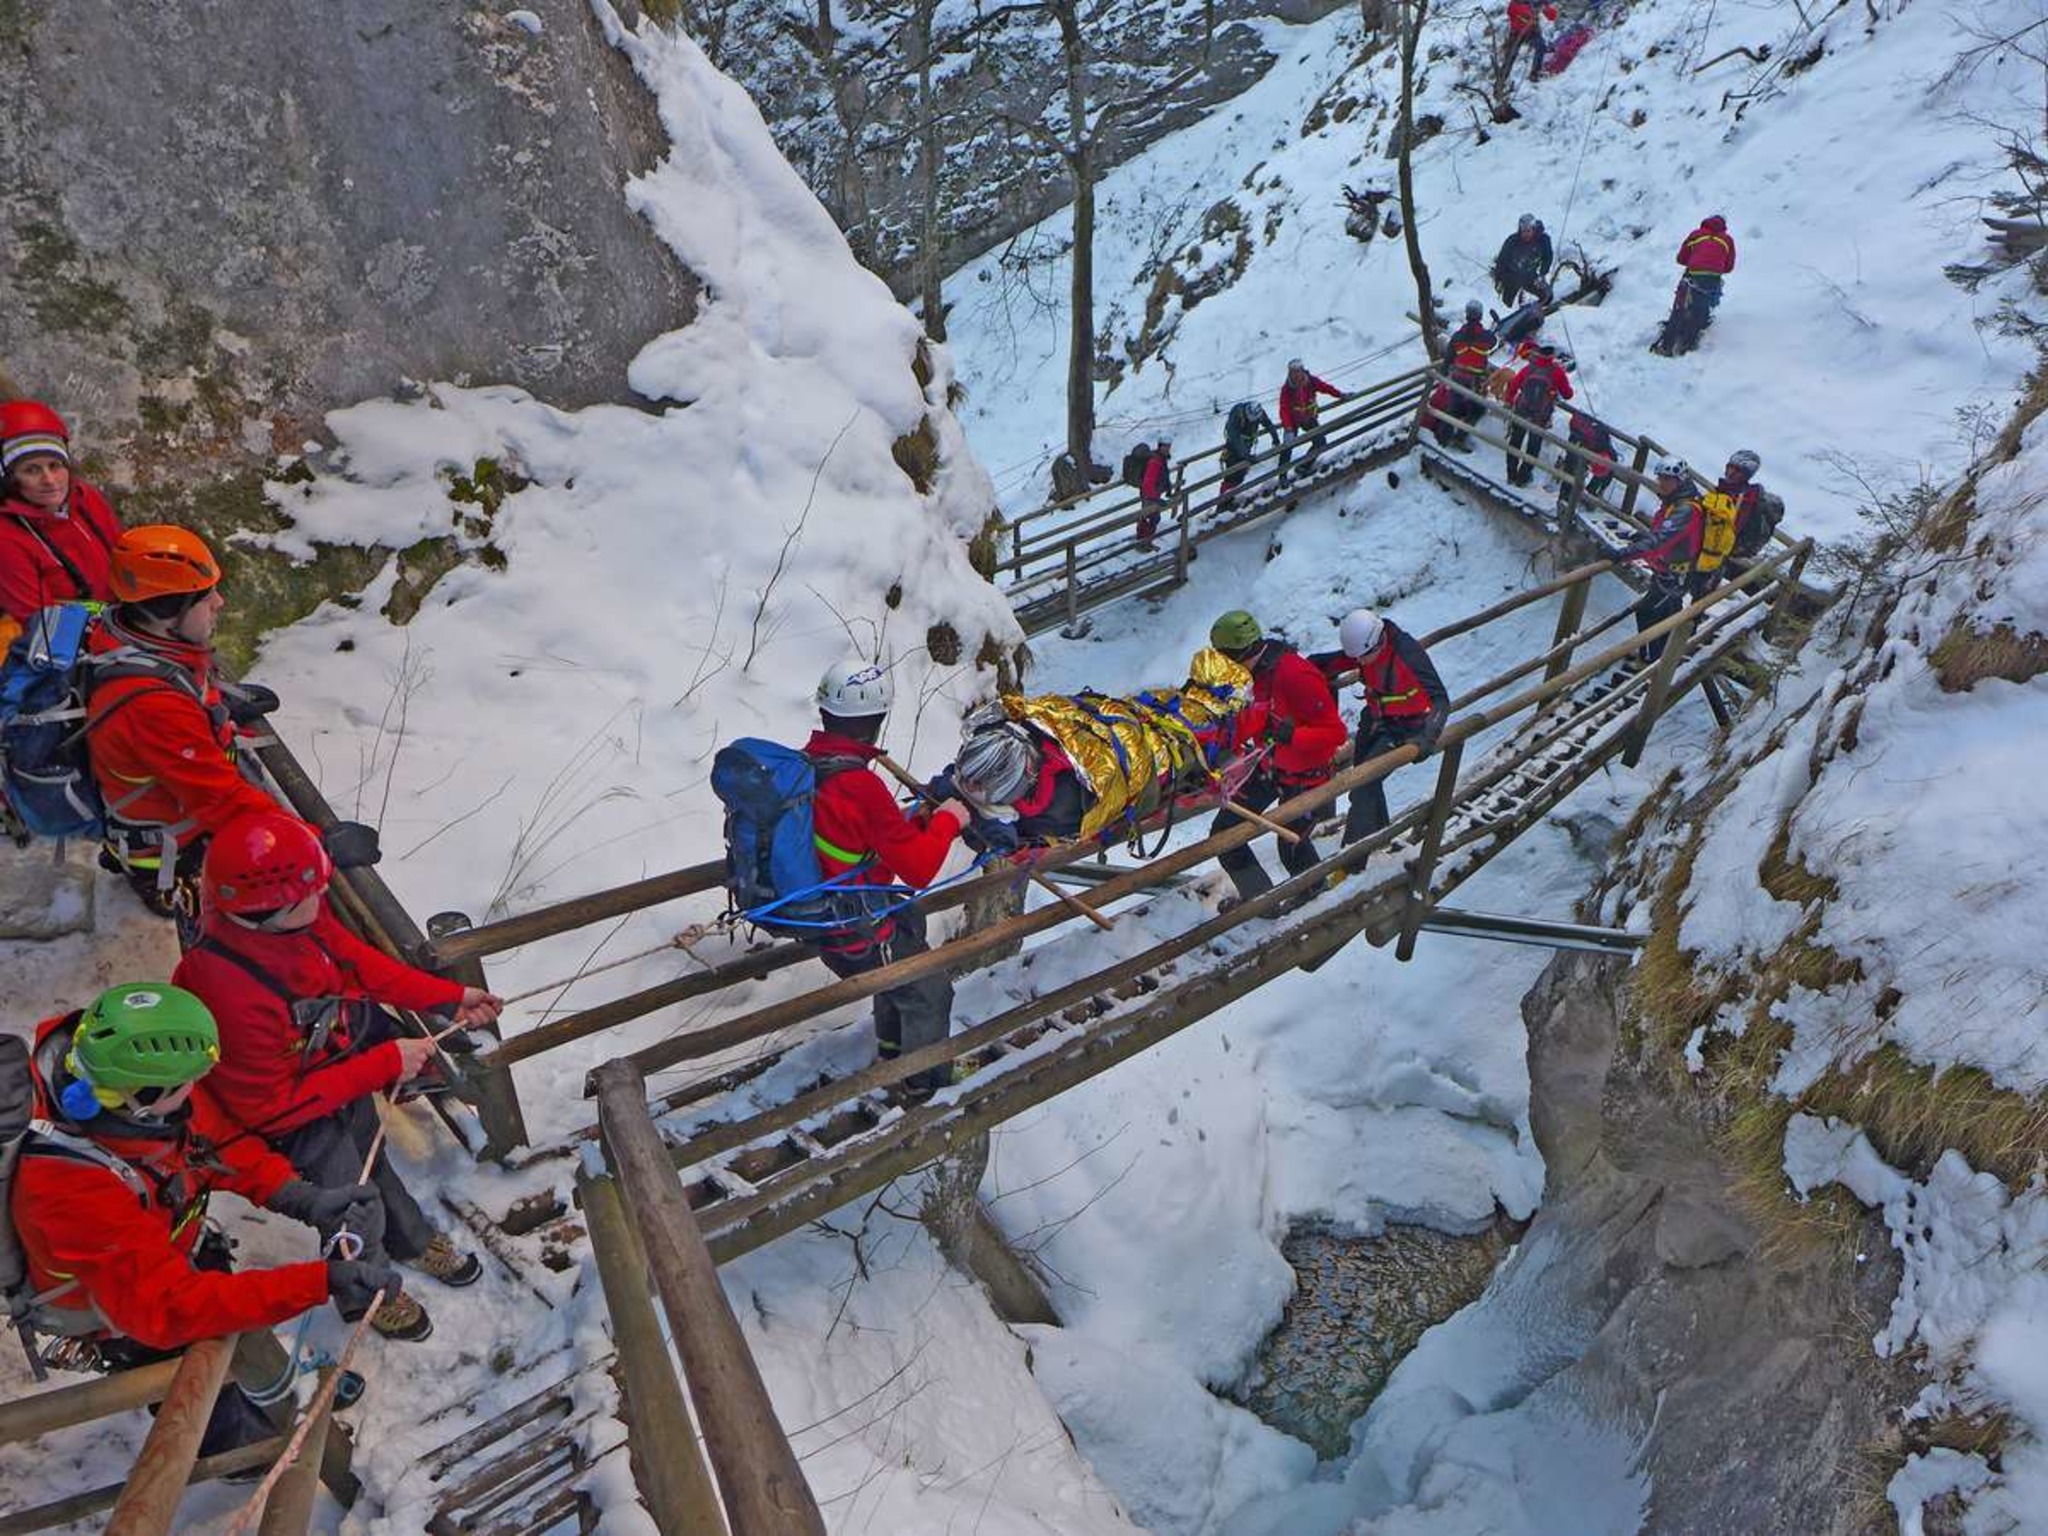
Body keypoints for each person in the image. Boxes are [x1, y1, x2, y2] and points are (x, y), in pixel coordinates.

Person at [9, 984, 410, 1456]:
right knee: (196, 1383)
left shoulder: (137, 1100)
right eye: (185, 1084)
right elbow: (172, 1308)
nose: (195, 1090)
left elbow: (216, 1143)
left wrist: (299, 1197)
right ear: (141, 1096)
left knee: (233, 1324)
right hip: (121, 1313)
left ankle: (270, 1393)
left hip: (175, 1246)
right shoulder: (65, 1188)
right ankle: (239, 1453)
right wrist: (321, 1280)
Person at [173, 811, 502, 1338]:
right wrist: (385, 1063)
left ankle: (411, 1241)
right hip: (292, 1112)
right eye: (312, 889)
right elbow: (268, 1108)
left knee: (376, 1167)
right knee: (346, 1197)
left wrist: (448, 999)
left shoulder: (299, 922)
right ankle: (363, 1292)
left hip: (329, 1068)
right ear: (270, 909)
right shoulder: (229, 991)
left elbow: (359, 965)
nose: (322, 894)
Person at [84, 525, 280, 927]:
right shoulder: (152, 705)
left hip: (152, 811)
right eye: (205, 596)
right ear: (164, 612)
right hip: (168, 854)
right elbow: (222, 803)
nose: (220, 602)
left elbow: (182, 700)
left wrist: (219, 707)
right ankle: (162, 889)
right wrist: (316, 840)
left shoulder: (123, 634)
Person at [806, 659, 968, 1095]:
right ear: (876, 720)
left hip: (827, 914)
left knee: (905, 947)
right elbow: (918, 870)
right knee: (930, 991)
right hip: (853, 927)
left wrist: (913, 825)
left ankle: (894, 1053)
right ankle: (920, 1083)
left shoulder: (812, 767)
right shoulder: (859, 784)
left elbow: (865, 841)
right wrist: (949, 822)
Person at [1206, 610, 1347, 903]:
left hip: (1306, 774)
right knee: (1224, 834)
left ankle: (1315, 899)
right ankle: (1260, 901)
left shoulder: (1295, 675)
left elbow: (1335, 733)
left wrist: (1292, 736)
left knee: (1291, 843)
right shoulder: (1252, 676)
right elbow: (1251, 718)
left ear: (1240, 653)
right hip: (1270, 765)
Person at [1314, 609, 1450, 844]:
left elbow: (1440, 700)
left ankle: (1353, 859)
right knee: (1365, 781)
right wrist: (1308, 670)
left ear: (1378, 642)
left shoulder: (1407, 653)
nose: (1361, 663)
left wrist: (1428, 737)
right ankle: (1382, 838)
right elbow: (1332, 661)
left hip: (1410, 727)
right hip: (1378, 721)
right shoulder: (1365, 647)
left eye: (1365, 657)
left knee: (1363, 784)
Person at [0, 400, 121, 651]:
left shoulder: (85, 499)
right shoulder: (7, 536)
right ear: (9, 479)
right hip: (61, 648)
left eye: (55, 466)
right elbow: (39, 622)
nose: (50, 480)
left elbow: (123, 558)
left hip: (114, 623)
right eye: (31, 470)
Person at [1620, 458, 1705, 661]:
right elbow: (1666, 535)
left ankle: (1654, 667)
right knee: (1664, 616)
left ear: (1680, 480)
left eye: (1668, 479)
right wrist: (1642, 539)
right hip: (1669, 572)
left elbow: (1661, 540)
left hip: (1675, 576)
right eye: (1660, 477)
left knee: (1651, 615)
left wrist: (1622, 553)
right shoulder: (1675, 502)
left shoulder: (1685, 509)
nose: (1662, 482)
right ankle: (1655, 660)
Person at [1653, 215, 1736, 356]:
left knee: (1679, 308)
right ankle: (1688, 343)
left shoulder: (1697, 234)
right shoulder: (1728, 240)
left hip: (1693, 276)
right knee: (1700, 309)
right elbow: (1728, 267)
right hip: (1713, 280)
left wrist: (1696, 259)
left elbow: (1681, 258)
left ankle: (1666, 346)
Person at [1503, 342, 1572, 487]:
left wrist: (1509, 401)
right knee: (1533, 447)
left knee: (1515, 442)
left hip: (1521, 410)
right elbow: (1568, 395)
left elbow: (1513, 386)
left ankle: (1511, 474)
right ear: (1552, 356)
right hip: (1541, 416)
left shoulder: (1528, 368)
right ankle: (1522, 478)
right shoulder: (1557, 371)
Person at [1433, 302, 1497, 449]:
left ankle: (1442, 439)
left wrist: (1442, 375)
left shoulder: (1457, 336)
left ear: (1467, 315)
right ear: (1480, 315)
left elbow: (1448, 358)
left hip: (1458, 377)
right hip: (1476, 380)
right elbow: (1493, 342)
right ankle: (1460, 437)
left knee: (1453, 409)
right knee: (1477, 409)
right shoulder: (1486, 336)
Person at [1278, 360, 1345, 480]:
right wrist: (1288, 428)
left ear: (1302, 370)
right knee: (1287, 447)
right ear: (1289, 373)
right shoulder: (1287, 389)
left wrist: (1340, 394)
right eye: (1293, 372)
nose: (1296, 375)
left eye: (1298, 371)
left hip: (1309, 417)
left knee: (1320, 441)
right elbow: (1284, 409)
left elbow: (1325, 387)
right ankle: (1282, 477)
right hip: (1293, 420)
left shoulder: (1310, 381)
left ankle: (1304, 466)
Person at [1219, 400, 1280, 505]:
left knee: (1241, 474)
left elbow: (1268, 423)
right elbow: (1234, 437)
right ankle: (1223, 502)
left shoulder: (1259, 412)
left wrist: (1275, 439)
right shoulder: (1236, 414)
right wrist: (1245, 455)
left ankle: (1233, 499)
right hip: (1232, 448)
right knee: (1231, 476)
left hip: (1247, 446)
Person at [1558, 407, 1617, 506]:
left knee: (1574, 470)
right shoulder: (1597, 444)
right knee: (1572, 470)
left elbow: (1608, 473)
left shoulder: (1609, 453)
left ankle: (1584, 495)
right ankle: (1565, 499)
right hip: (1578, 440)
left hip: (1583, 441)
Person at [1492, 215, 1554, 308]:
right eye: (1523, 231)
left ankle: (1535, 311)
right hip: (1511, 276)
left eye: (1528, 231)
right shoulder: (1512, 241)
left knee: (1547, 296)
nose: (1526, 234)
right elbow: (1501, 261)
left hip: (1530, 276)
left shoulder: (1543, 240)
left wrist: (1542, 274)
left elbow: (1548, 257)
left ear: (1534, 229)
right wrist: (1499, 280)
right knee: (1506, 304)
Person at [1503, 0, 1558, 82]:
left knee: (1541, 47)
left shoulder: (1535, 2)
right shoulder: (1516, 2)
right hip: (1517, 32)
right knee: (1511, 55)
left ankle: (1534, 73)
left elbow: (1552, 16)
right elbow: (1512, 11)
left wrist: (1545, 7)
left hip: (1531, 31)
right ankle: (1503, 78)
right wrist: (1533, 10)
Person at [1136, 441, 1173, 545]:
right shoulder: (1155, 461)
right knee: (1151, 518)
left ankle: (1145, 541)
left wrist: (1168, 489)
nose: (1168, 449)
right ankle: (1143, 542)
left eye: (1169, 446)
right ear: (1160, 447)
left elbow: (1163, 475)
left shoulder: (1161, 459)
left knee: (1151, 518)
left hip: (1153, 494)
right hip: (1150, 495)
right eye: (1165, 446)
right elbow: (1148, 483)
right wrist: (1156, 498)